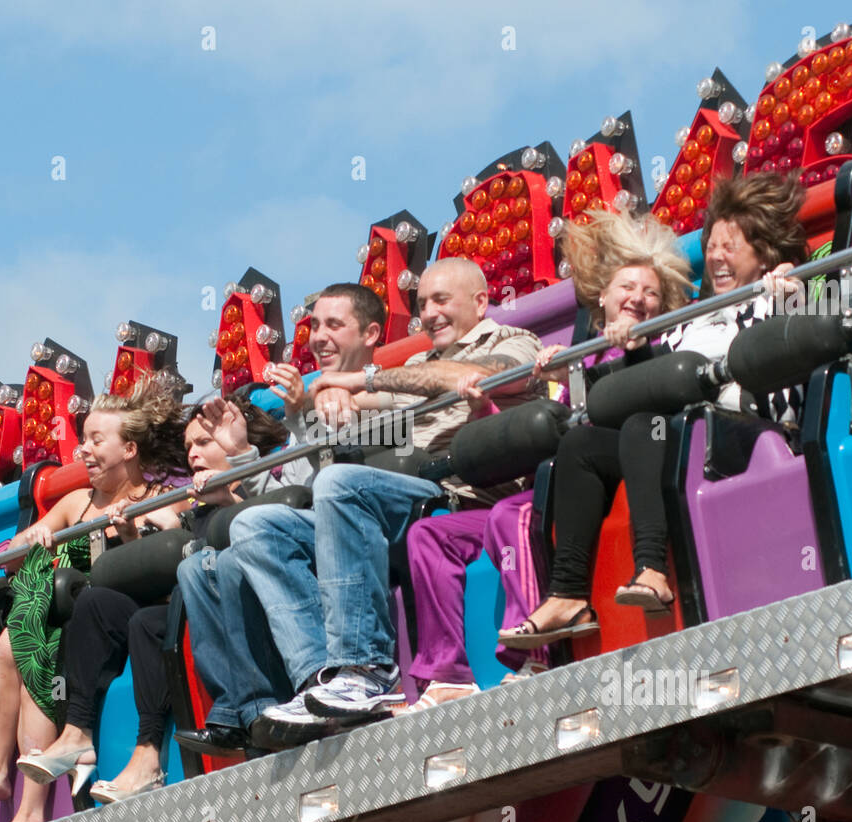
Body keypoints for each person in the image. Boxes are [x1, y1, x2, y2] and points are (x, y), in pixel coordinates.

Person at [236, 258, 543, 747]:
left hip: (462, 495)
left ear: (481, 302)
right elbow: (363, 416)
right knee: (256, 525)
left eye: (442, 299)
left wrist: (363, 383)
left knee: (339, 484)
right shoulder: (415, 369)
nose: (430, 313)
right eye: (423, 304)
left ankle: (369, 667)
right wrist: (320, 402)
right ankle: (322, 679)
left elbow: (481, 377)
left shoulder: (511, 341)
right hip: (407, 489)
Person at [499, 173, 806, 649]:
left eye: (730, 246)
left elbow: (843, 313)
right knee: (581, 445)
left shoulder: (783, 292)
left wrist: (792, 295)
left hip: (746, 433)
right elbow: (654, 381)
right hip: (678, 437)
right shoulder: (688, 320)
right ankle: (568, 593)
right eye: (712, 246)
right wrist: (589, 367)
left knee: (647, 426)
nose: (716, 257)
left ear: (763, 252)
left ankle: (653, 570)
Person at [402, 208, 692, 707]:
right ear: (602, 296)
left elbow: (657, 403)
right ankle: (447, 673)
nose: (638, 299)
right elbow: (545, 434)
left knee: (511, 513)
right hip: (567, 476)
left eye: (650, 293)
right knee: (437, 531)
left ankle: (539, 651)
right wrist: (495, 404)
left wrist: (637, 349)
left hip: (629, 463)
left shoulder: (667, 343)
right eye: (627, 288)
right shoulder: (577, 358)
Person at [15, 395, 298, 802]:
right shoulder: (192, 504)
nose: (193, 455)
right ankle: (77, 732)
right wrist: (135, 537)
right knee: (93, 605)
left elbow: (266, 525)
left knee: (147, 624)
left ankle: (149, 755)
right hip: (185, 601)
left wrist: (221, 502)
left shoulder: (252, 486)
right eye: (188, 449)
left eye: (204, 443)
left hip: (229, 604)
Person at [0, 379, 188, 822]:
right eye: (82, 439)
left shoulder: (160, 500)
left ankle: (29, 807)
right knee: (14, 638)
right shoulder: (75, 502)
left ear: (128, 449)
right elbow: (11, 554)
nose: (83, 450)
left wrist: (127, 535)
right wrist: (33, 539)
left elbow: (160, 576)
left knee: (34, 643)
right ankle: (6, 771)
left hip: (128, 618)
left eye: (95, 440)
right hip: (85, 621)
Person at [173, 282, 384, 756]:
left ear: (371, 334)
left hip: (362, 527)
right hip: (306, 531)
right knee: (201, 565)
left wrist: (326, 407)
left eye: (335, 325)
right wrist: (242, 449)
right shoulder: (302, 419)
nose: (319, 337)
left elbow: (392, 444)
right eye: (315, 327)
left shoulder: (386, 386)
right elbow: (278, 496)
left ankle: (321, 681)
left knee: (241, 546)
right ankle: (251, 713)